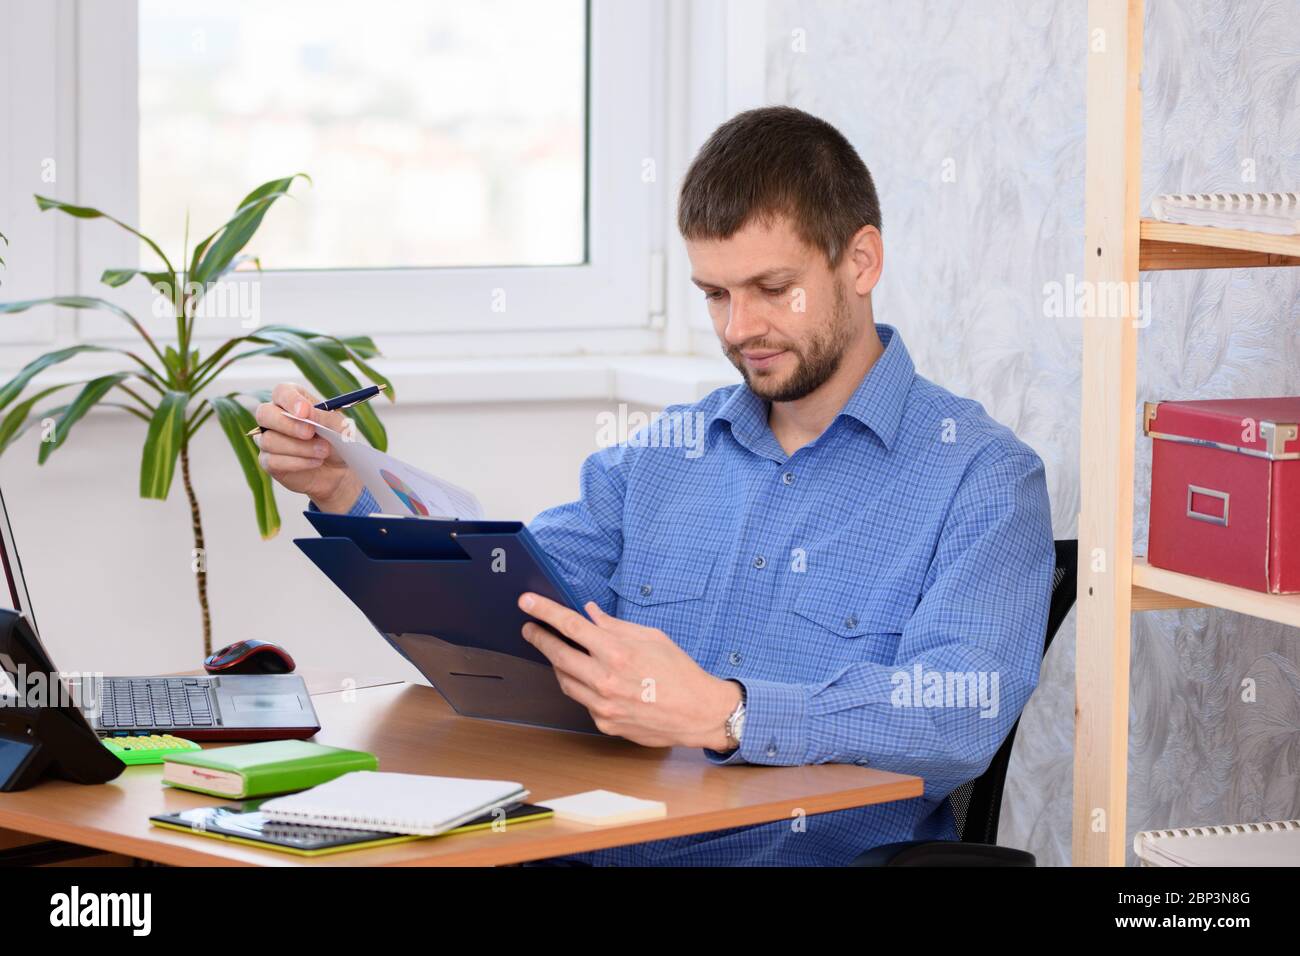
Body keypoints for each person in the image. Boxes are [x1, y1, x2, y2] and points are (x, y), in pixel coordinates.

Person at [254, 105, 1054, 866]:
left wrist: (730, 711)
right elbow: (516, 603)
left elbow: (959, 710)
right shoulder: (666, 454)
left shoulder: (982, 478)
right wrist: (346, 486)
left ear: (861, 261)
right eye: (715, 294)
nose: (739, 329)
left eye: (773, 290)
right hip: (570, 847)